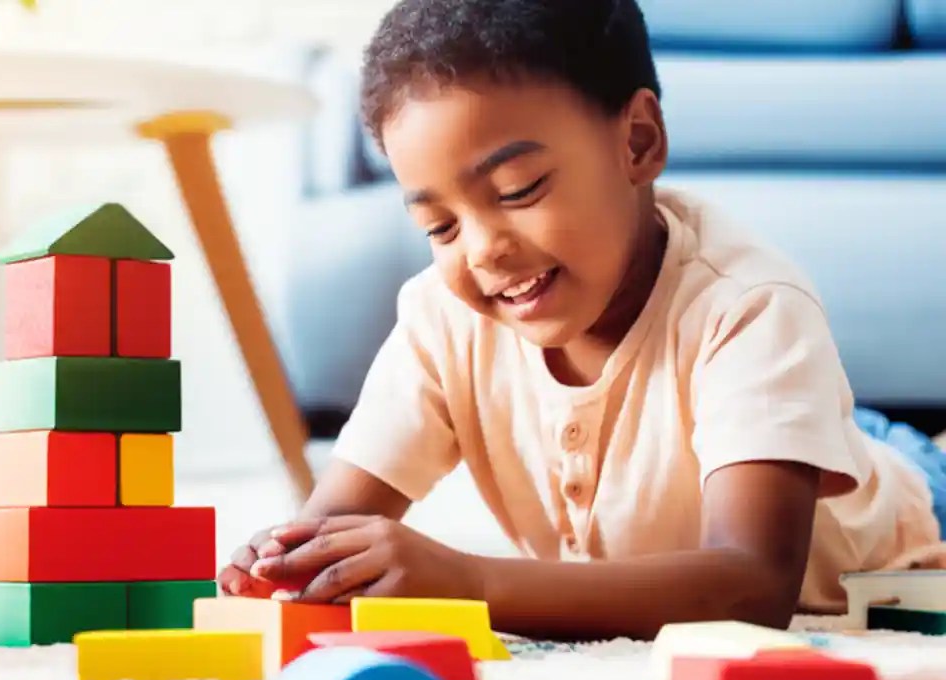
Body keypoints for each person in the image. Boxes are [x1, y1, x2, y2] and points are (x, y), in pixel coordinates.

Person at [218, 0, 946, 640]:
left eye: (519, 189)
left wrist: (469, 582)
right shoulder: (441, 322)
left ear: (636, 143)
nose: (484, 250)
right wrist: (285, 559)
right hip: (788, 425)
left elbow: (754, 585)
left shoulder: (749, 306)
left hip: (902, 505)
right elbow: (329, 525)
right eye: (439, 227)